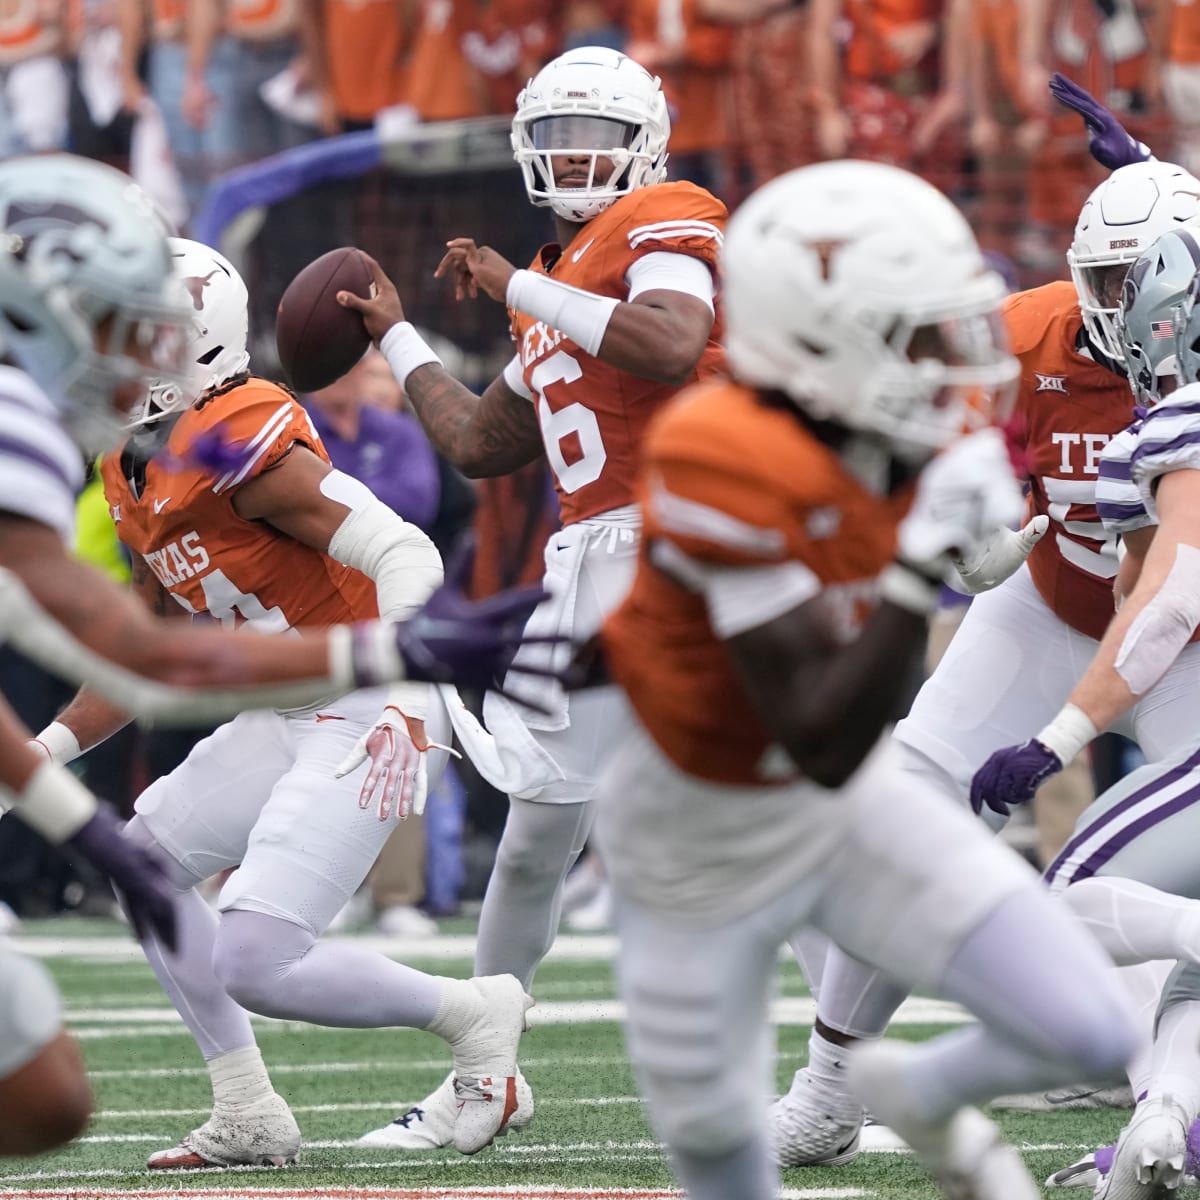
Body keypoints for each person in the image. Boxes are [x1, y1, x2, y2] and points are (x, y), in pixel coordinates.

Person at [594, 157, 1140, 1200]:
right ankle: (839, 1090)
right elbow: (823, 735)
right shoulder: (718, 452)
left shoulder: (907, 431)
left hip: (843, 804)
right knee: (723, 1162)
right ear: (816, 336)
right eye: (920, 331)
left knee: (1089, 1025)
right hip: (700, 836)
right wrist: (914, 571)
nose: (956, 357)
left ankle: (917, 1090)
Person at [0, 154, 551, 1161]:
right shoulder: (147, 460)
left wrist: (406, 697)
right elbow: (139, 658)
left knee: (254, 953)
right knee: (146, 861)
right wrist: (33, 757)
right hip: (290, 708)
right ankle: (248, 1108)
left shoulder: (234, 441)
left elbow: (404, 551)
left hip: (368, 708)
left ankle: (475, 1011)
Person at [767, 155, 1200, 1167]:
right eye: (1101, 282)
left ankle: (1155, 1107)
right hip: (1048, 609)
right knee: (908, 815)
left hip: (1183, 645)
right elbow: (903, 441)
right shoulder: (1025, 332)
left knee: (1131, 879)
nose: (1117, 310)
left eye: (1140, 281)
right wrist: (966, 517)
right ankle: (831, 1088)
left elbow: (1169, 591)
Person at [340, 44, 729, 1150]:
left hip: (696, 542)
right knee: (536, 835)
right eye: (557, 135)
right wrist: (396, 334)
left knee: (764, 822)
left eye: (598, 137)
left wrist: (519, 284)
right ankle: (486, 1073)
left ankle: (841, 1074)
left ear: (643, 144)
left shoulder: (667, 211)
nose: (576, 157)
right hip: (600, 560)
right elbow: (476, 443)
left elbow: (672, 340)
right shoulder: (555, 285)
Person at [972, 230, 1200, 1197]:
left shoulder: (1178, 421)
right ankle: (1170, 1121)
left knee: (1055, 912)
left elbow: (1172, 599)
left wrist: (1057, 738)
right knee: (1180, 956)